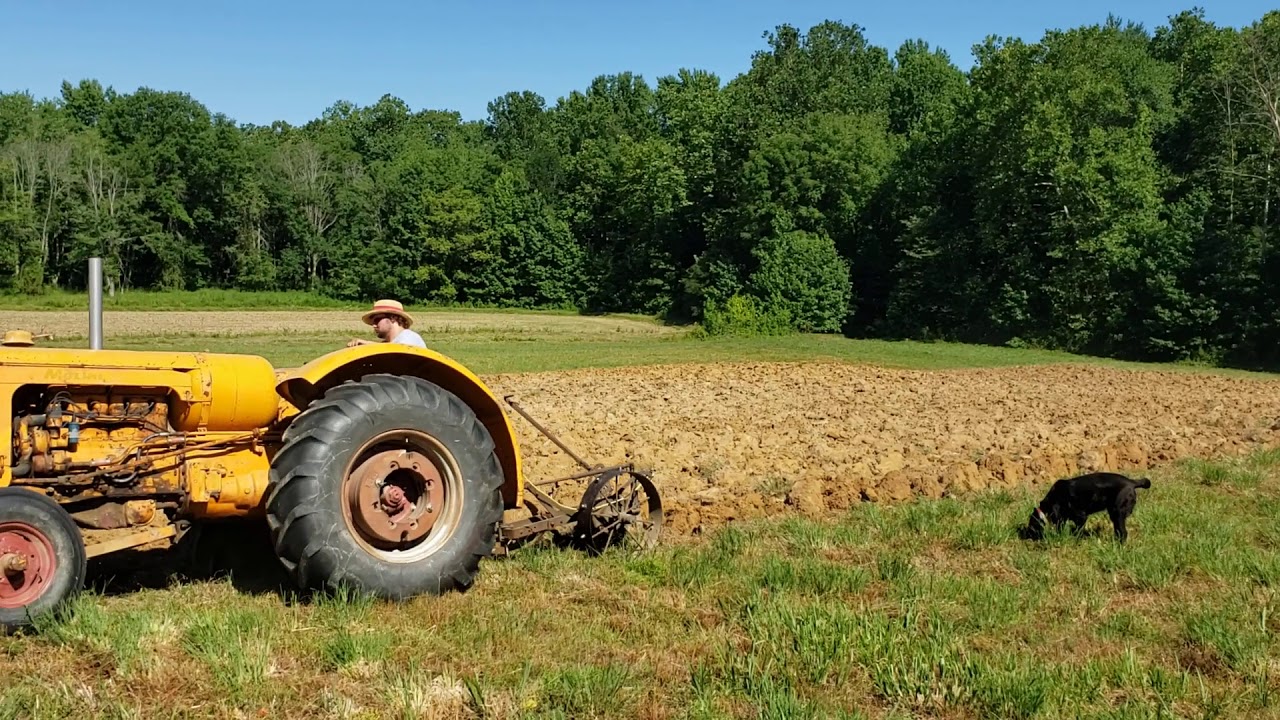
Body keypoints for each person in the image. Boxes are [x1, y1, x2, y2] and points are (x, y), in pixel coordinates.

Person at [348, 299, 427, 348]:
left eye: (377, 320)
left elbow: (397, 352)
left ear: (393, 318)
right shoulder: (388, 344)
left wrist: (368, 344)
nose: (374, 325)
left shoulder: (409, 338)